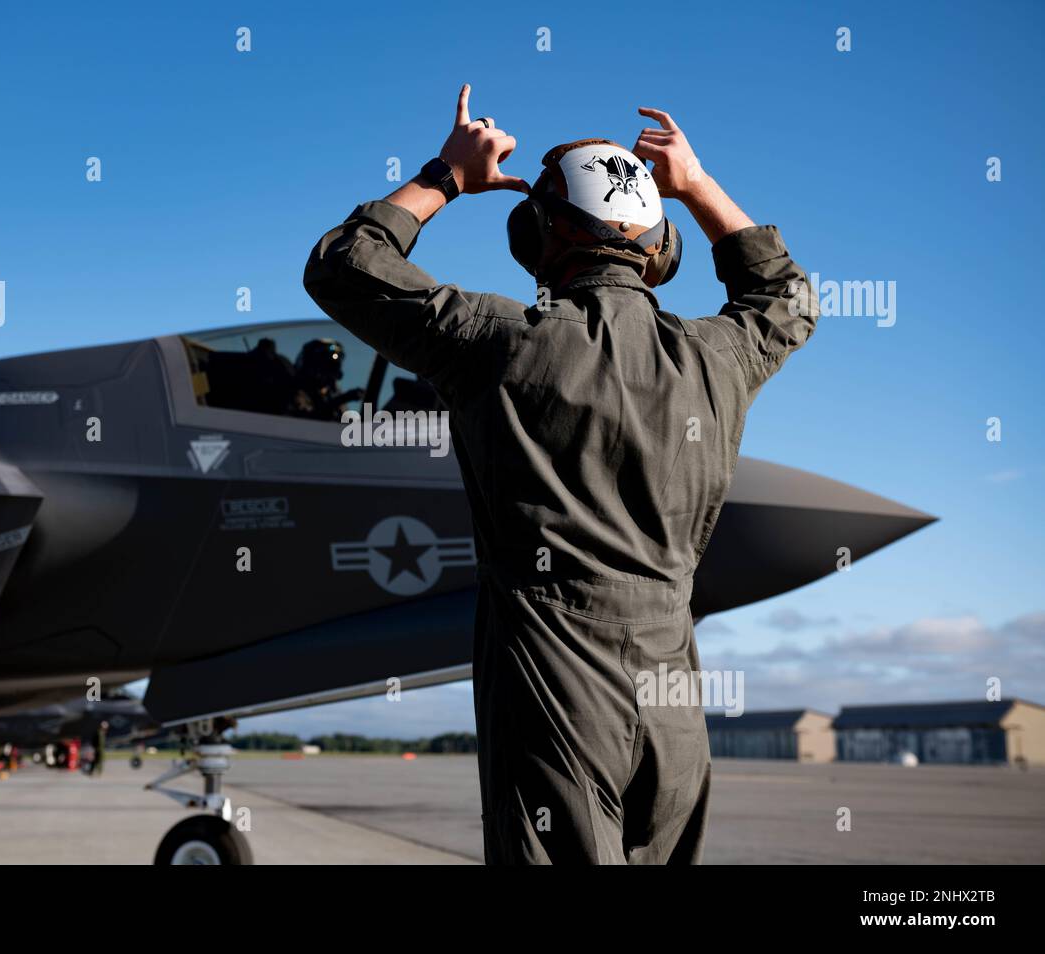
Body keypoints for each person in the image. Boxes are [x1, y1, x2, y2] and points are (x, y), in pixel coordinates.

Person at [303, 85, 818, 864]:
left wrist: (448, 174)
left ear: (538, 236)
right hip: (674, 698)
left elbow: (346, 267)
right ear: (660, 250)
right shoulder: (720, 357)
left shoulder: (496, 342)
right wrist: (697, 184)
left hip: (554, 680)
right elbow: (788, 294)